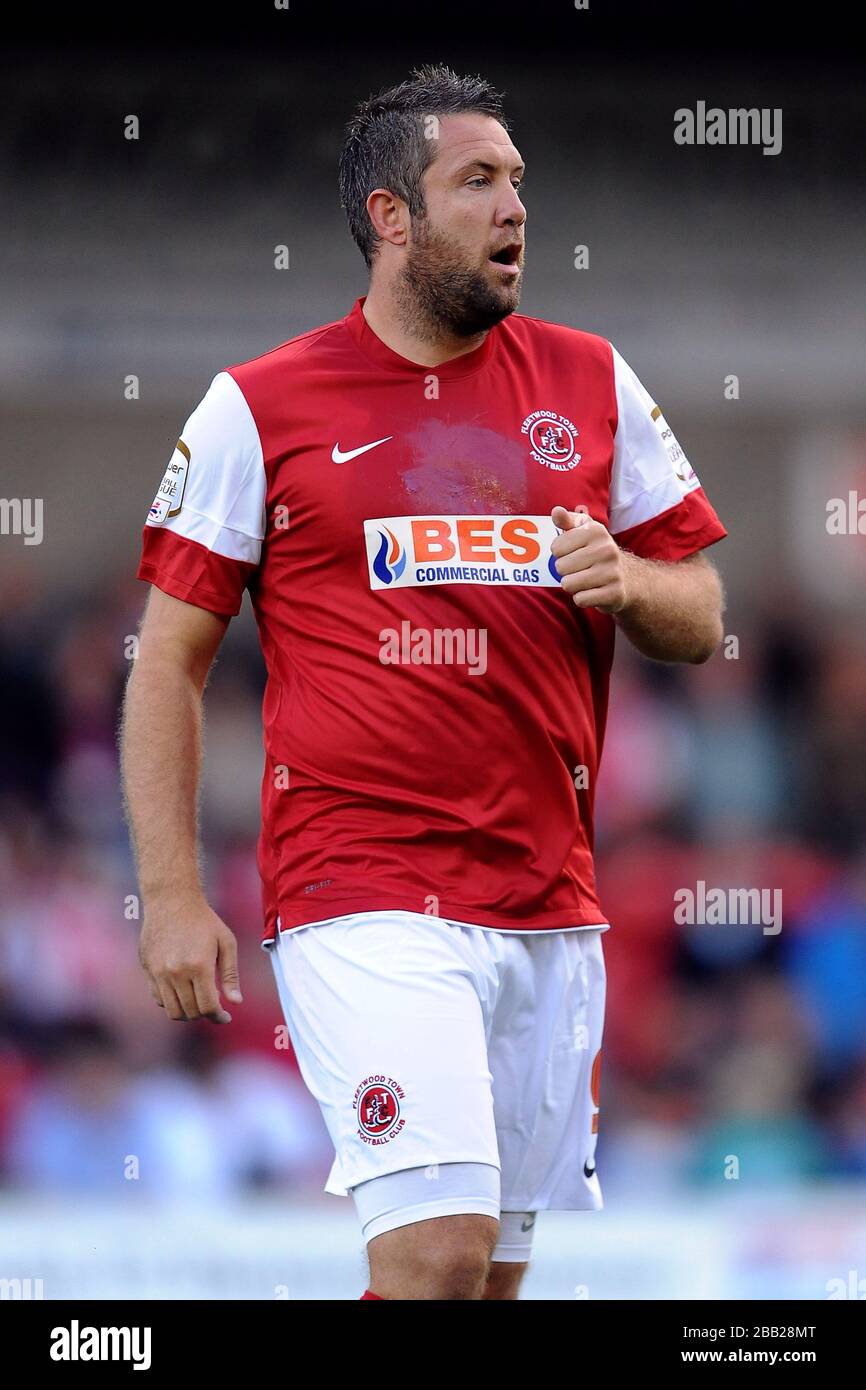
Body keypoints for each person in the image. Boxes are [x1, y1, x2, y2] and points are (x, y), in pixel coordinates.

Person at [120, 63, 727, 1301]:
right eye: (479, 182)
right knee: (436, 1250)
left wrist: (629, 582)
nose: (516, 210)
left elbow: (700, 611)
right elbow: (169, 658)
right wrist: (172, 894)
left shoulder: (589, 381)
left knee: (482, 1286)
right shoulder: (259, 405)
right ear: (391, 216)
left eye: (519, 183)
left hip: (548, 899)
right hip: (362, 886)